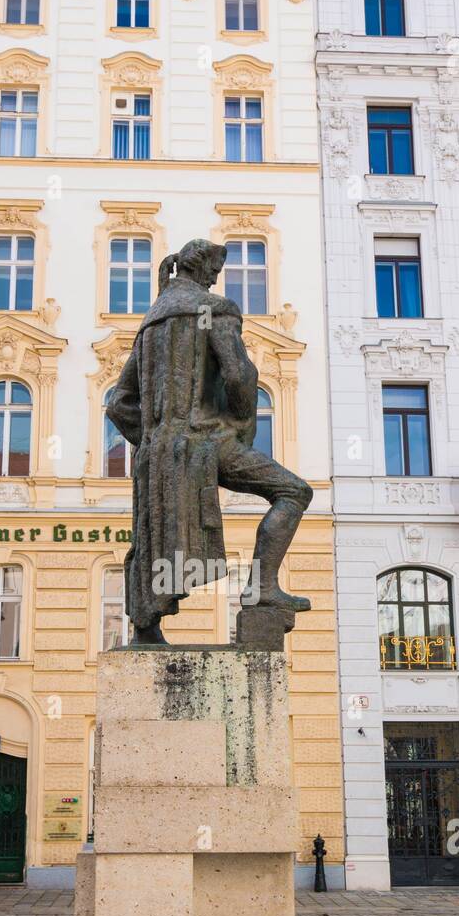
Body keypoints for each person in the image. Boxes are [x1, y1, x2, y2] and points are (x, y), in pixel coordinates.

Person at [107, 238, 313, 645]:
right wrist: (237, 427)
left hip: (159, 453)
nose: (214, 281)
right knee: (294, 492)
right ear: (204, 271)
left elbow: (117, 403)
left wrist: (153, 439)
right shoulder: (213, 309)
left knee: (151, 533)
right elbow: (239, 375)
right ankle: (262, 587)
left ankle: (146, 628)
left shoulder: (150, 323)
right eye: (215, 274)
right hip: (205, 440)